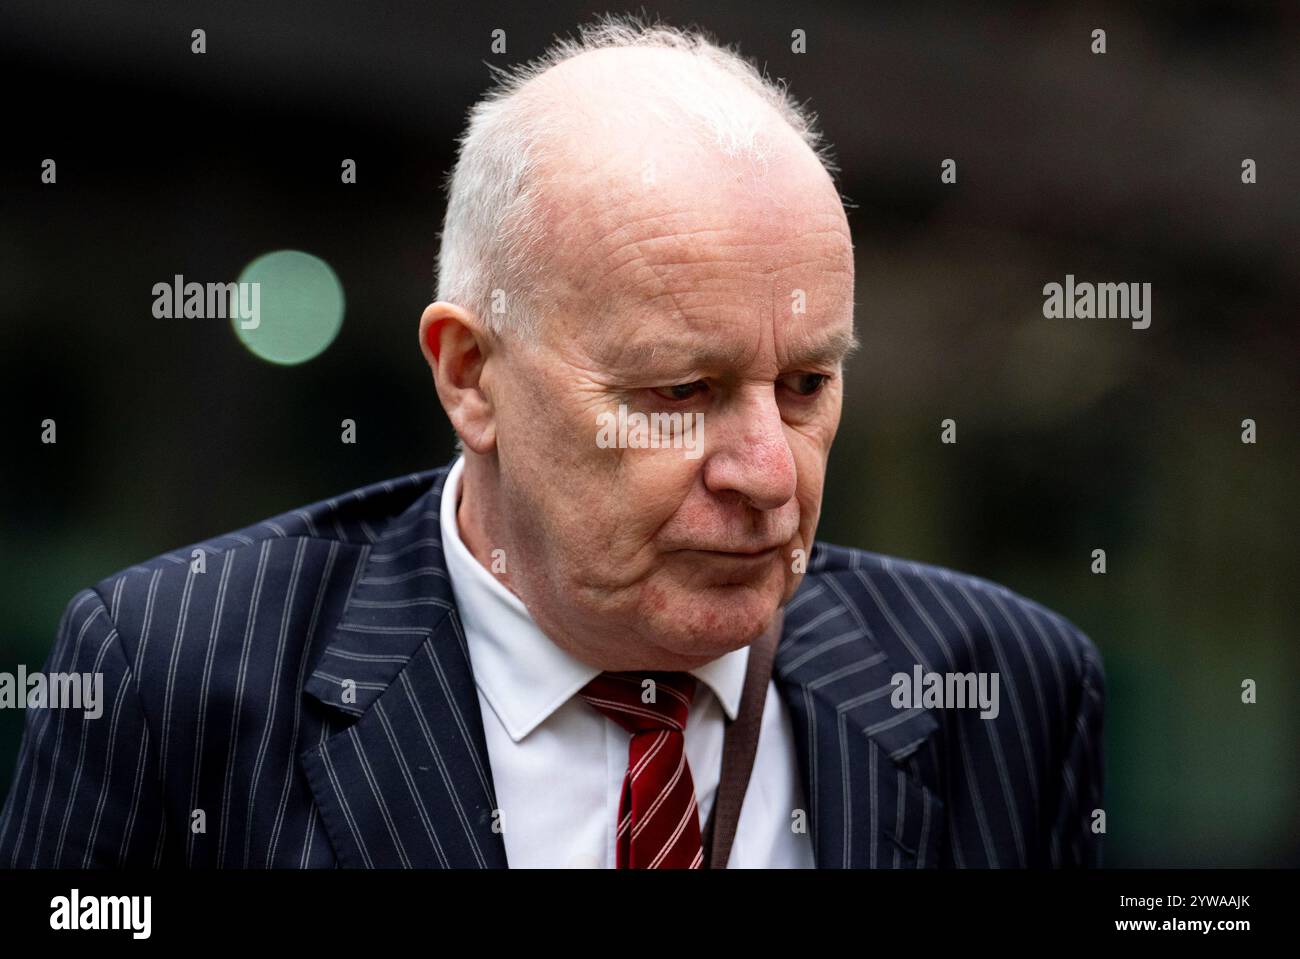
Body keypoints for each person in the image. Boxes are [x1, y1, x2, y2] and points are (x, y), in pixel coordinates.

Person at [0, 15, 1103, 869]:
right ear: (469, 375)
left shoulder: (1000, 686)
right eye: (680, 388)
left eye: (807, 382)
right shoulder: (178, 673)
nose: (769, 471)